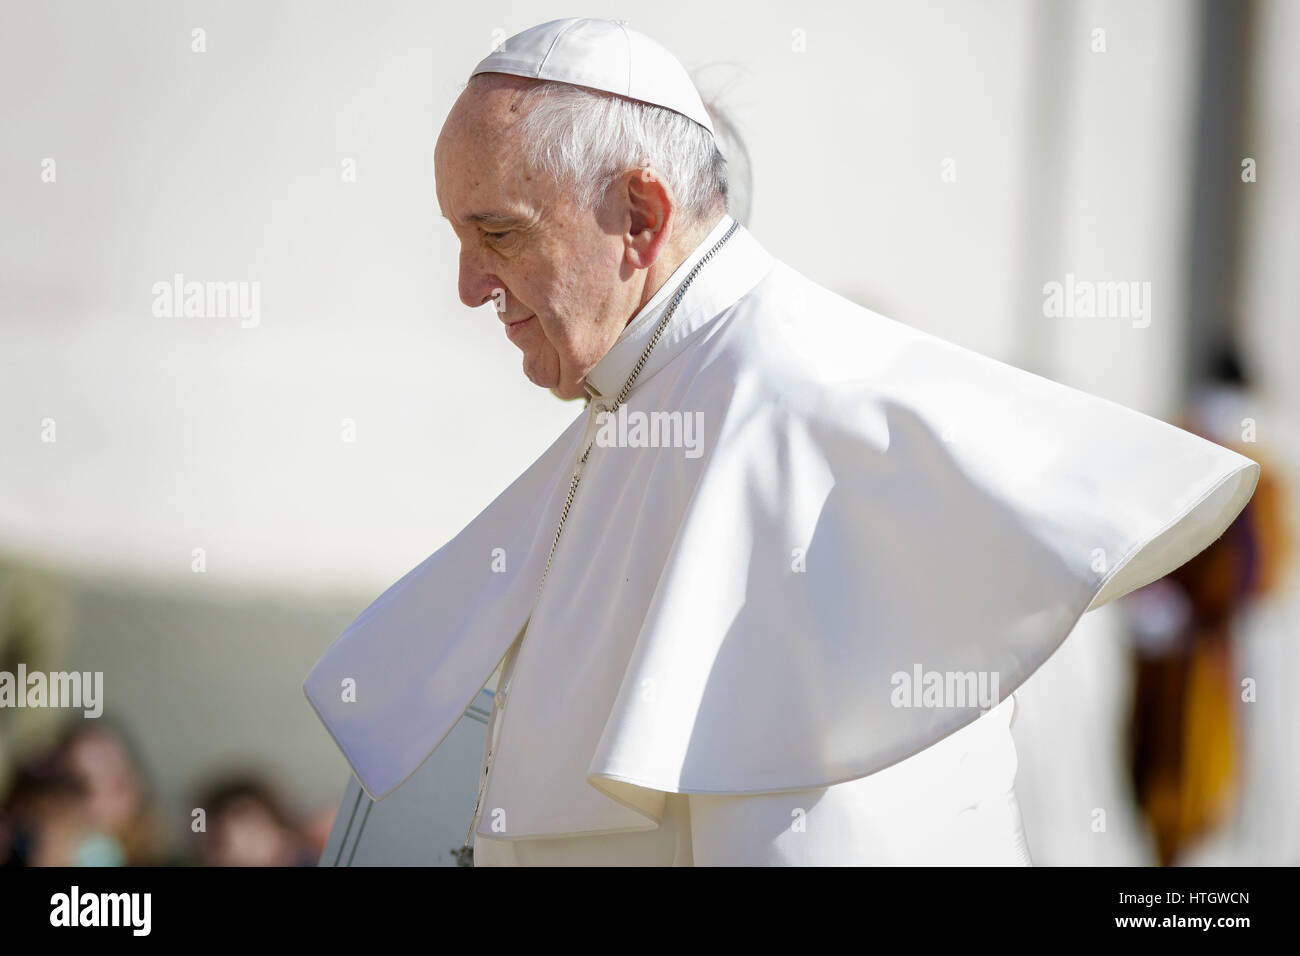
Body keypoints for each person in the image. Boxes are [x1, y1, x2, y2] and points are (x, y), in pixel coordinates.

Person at [303, 18, 1258, 866]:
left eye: (498, 236)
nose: (469, 287)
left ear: (640, 217)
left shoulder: (799, 434)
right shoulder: (642, 398)